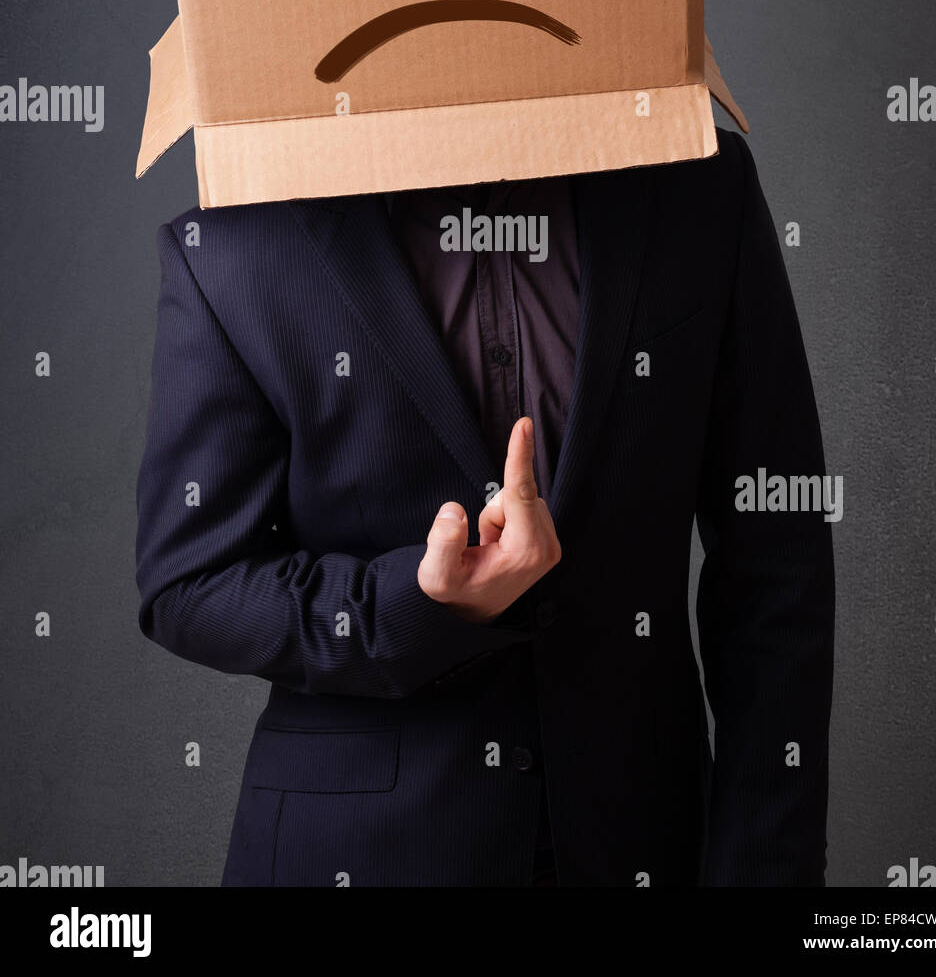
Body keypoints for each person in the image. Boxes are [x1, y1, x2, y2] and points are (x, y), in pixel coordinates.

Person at [135, 128, 835, 886]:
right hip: (361, 854)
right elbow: (190, 583)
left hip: (643, 845)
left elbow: (776, 556)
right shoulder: (238, 236)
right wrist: (415, 604)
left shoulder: (694, 182)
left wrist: (768, 870)